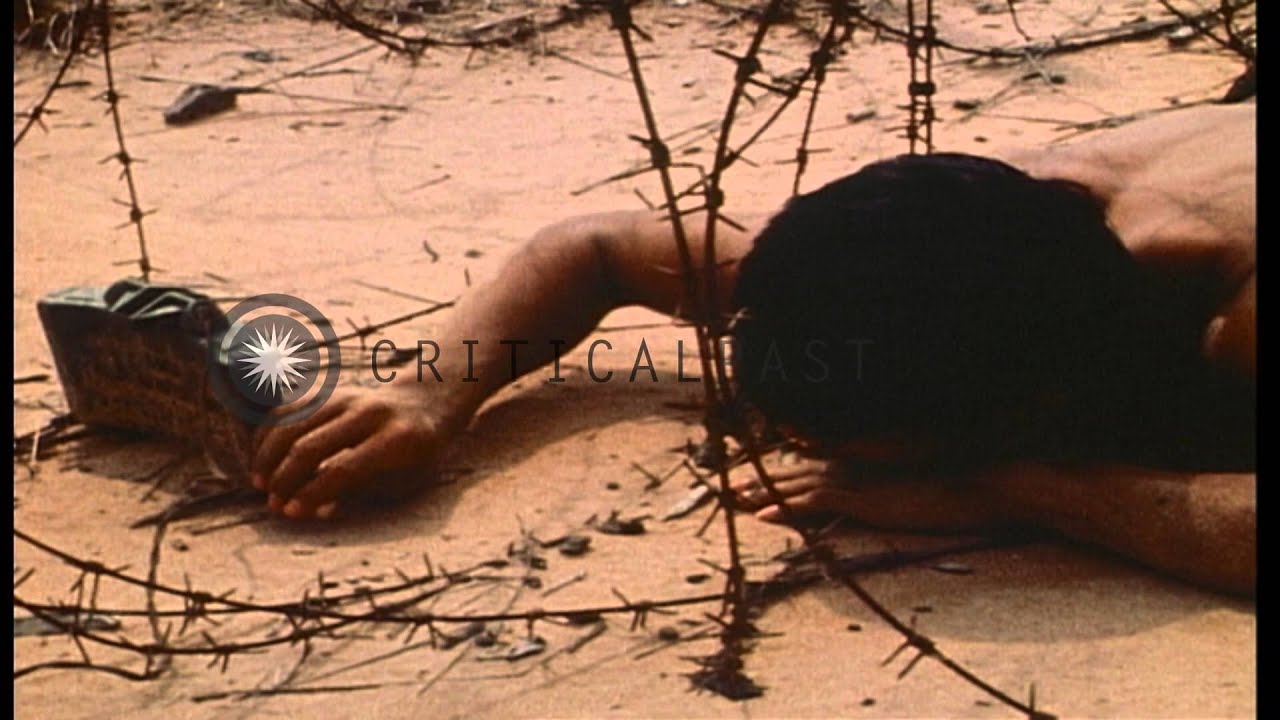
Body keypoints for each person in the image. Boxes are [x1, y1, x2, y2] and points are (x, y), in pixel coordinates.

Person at [251, 104, 1255, 597]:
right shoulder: (935, 252)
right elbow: (595, 249)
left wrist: (1020, 490)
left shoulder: (1230, 318)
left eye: (878, 456)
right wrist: (432, 391)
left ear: (1045, 397)